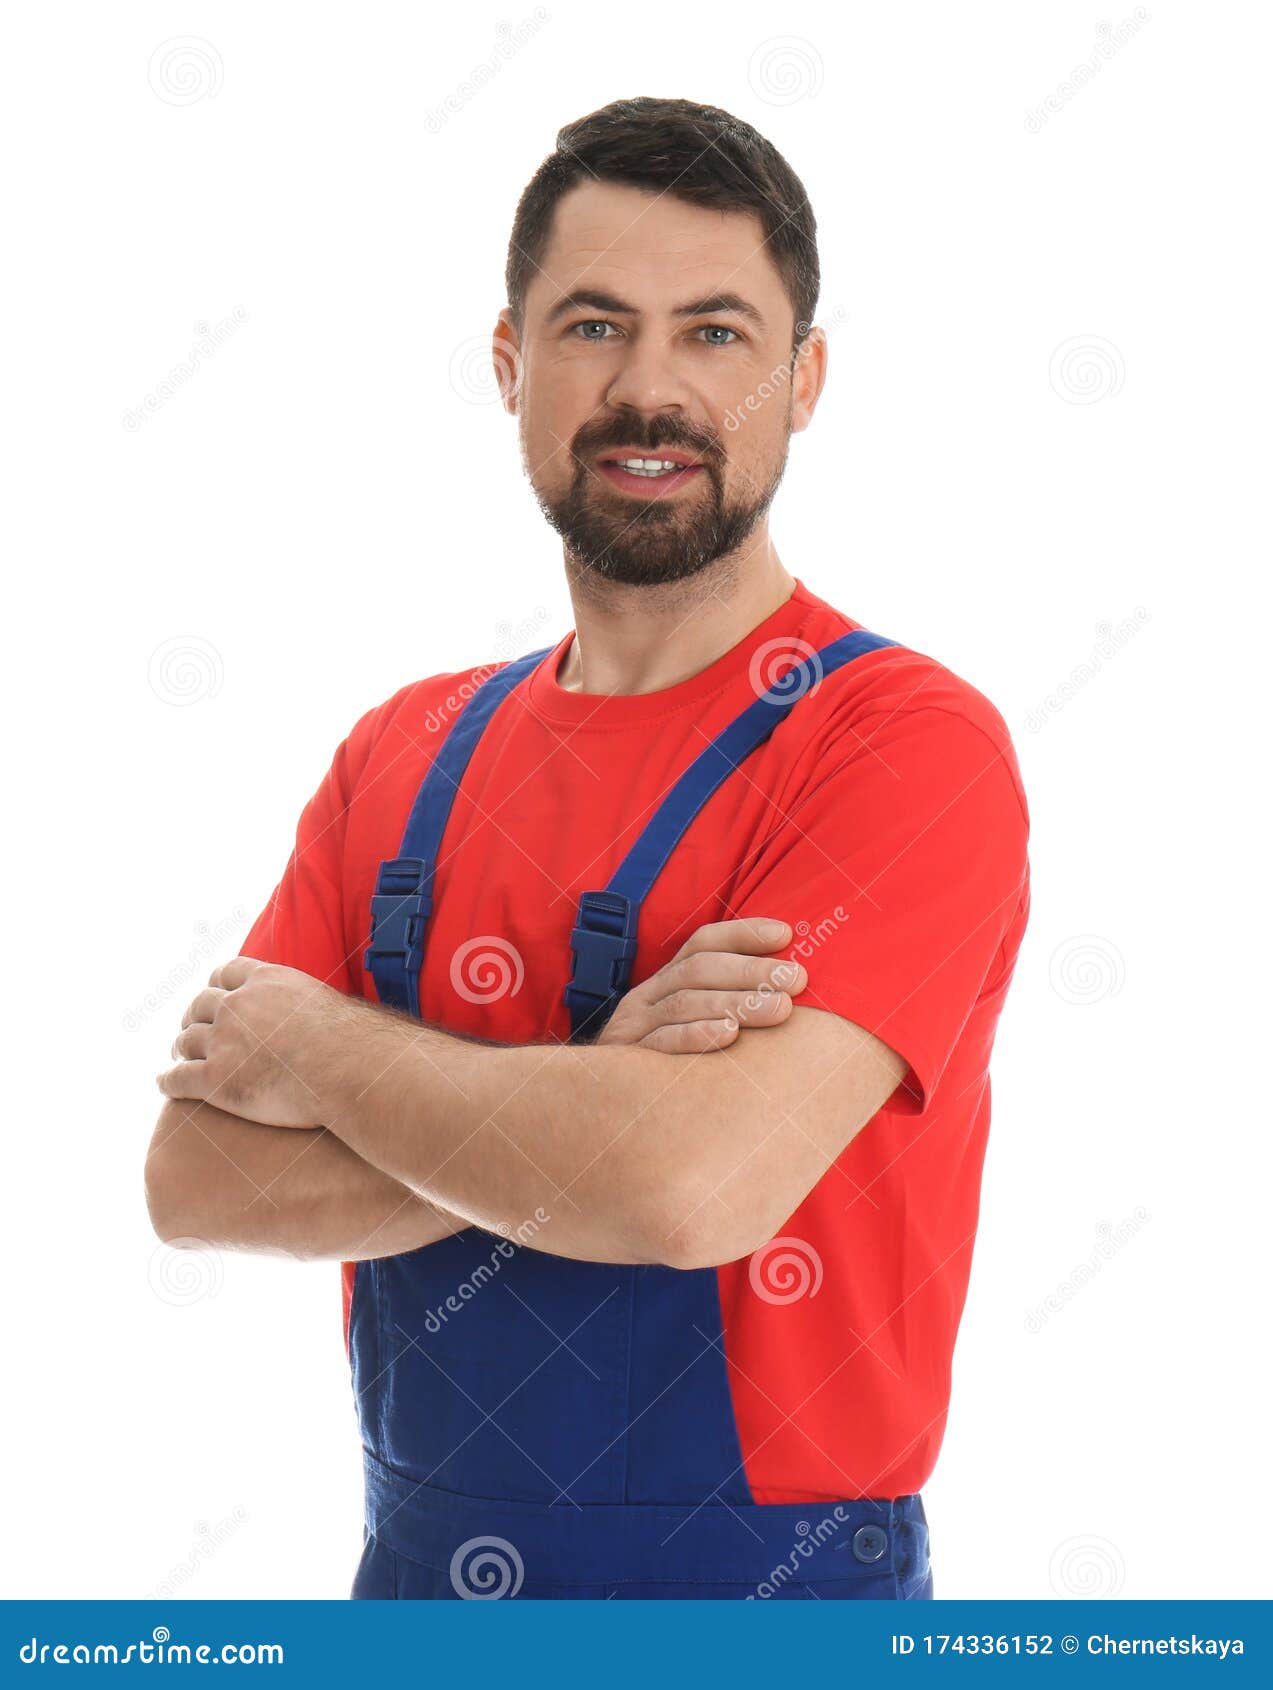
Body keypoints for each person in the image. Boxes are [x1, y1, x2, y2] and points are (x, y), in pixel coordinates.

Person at [145, 95, 1030, 1601]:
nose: (648, 390)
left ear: (803, 380)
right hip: (413, 1589)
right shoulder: (399, 753)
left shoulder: (901, 745)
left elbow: (690, 1191)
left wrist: (317, 1049)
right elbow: (195, 1180)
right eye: (593, 326)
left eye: (716, 334)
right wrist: (595, 1092)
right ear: (509, 363)